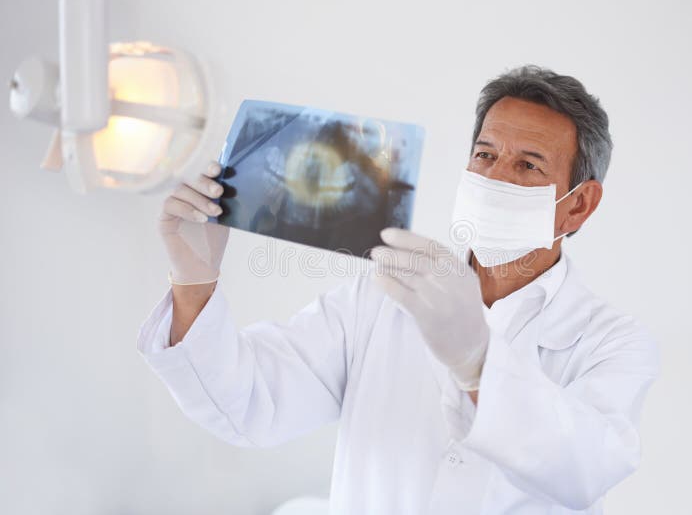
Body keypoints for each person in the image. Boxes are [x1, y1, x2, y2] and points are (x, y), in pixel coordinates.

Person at [138, 65, 660, 515]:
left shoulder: (612, 342)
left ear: (578, 205)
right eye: (484, 155)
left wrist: (478, 362)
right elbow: (250, 404)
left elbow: (585, 469)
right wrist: (194, 279)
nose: (495, 177)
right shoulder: (384, 293)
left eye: (527, 164)